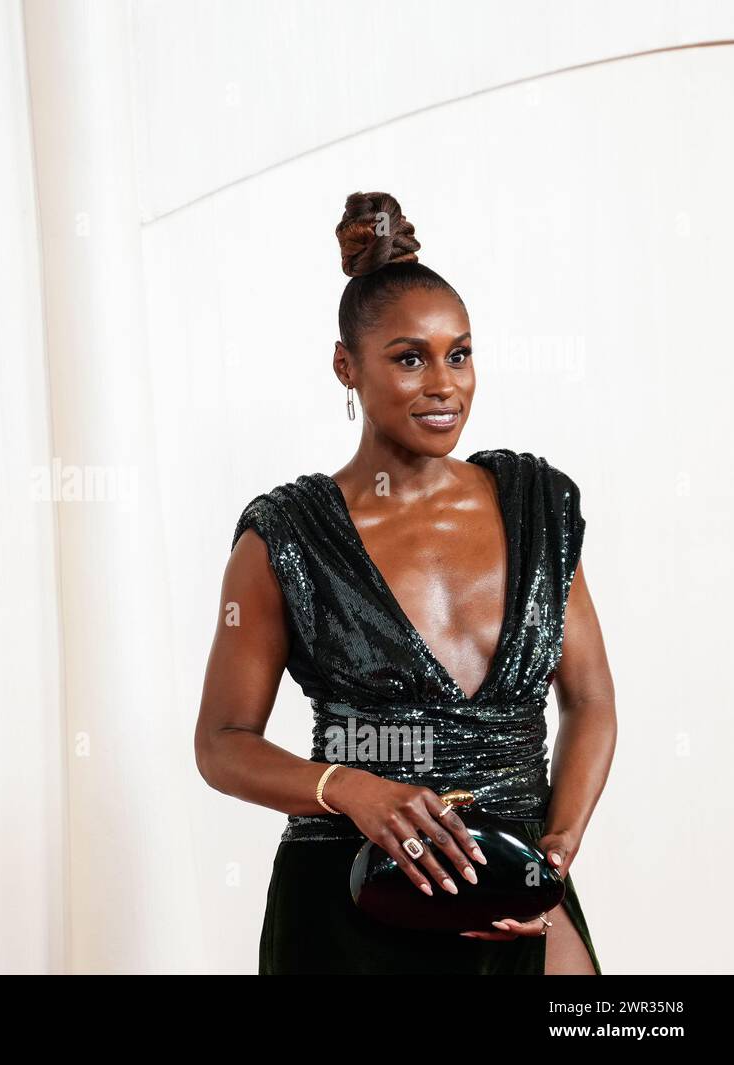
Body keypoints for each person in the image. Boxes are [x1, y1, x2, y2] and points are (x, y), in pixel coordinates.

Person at [194, 191, 615, 975]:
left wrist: (554, 852)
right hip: (349, 903)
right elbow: (220, 744)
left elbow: (589, 698)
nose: (444, 384)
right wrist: (351, 787)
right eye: (409, 357)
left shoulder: (536, 507)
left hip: (513, 887)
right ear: (345, 366)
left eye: (459, 354)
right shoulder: (285, 535)